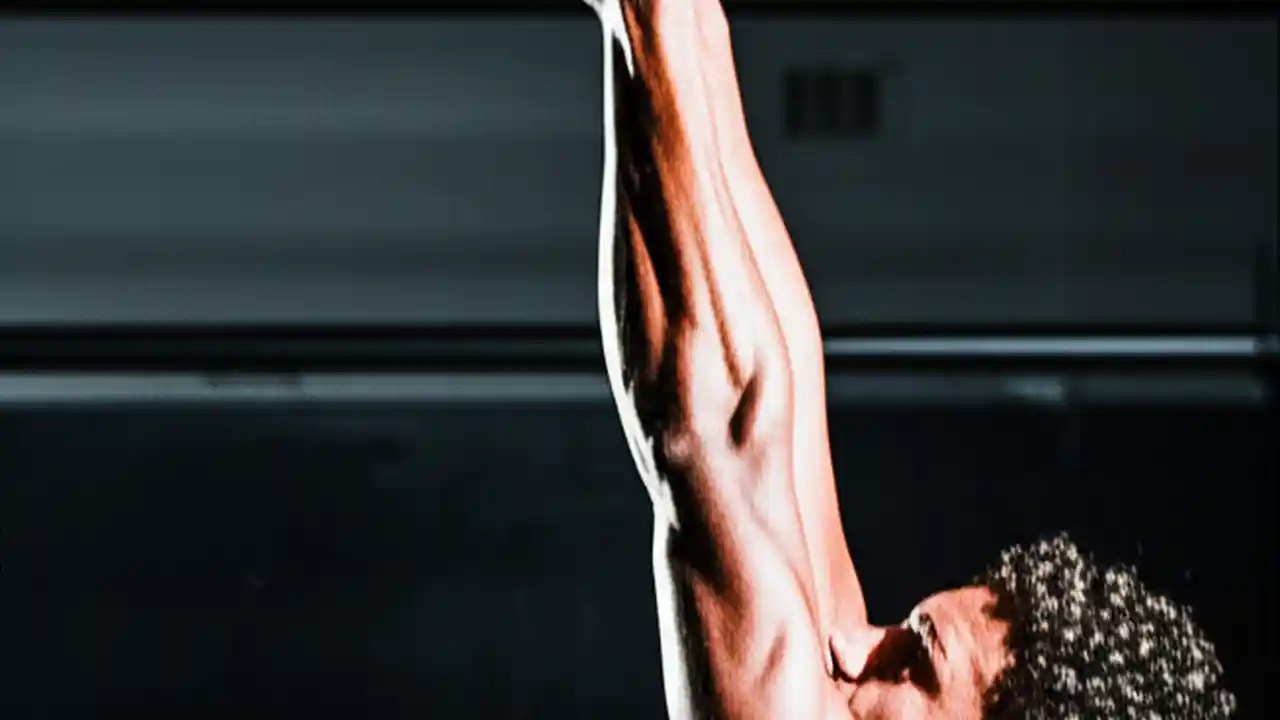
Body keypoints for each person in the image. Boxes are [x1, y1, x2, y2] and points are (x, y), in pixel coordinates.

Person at [584, 1, 1237, 717]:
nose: (855, 647)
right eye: (906, 634)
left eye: (914, 664)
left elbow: (723, 427)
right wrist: (693, 28)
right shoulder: (860, 676)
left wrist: (652, 19)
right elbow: (790, 382)